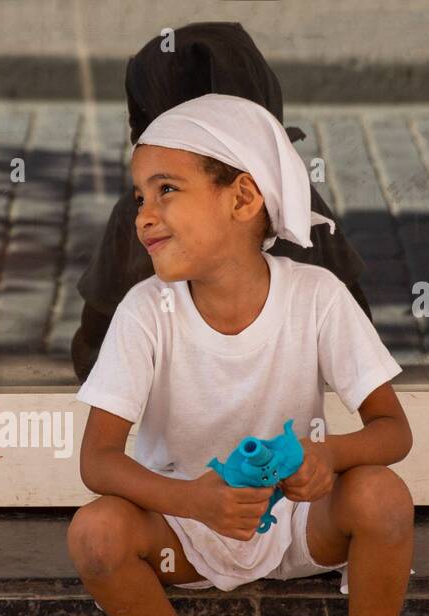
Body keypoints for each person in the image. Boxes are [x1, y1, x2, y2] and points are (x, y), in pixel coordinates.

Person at [67, 94, 429, 616]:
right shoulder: (147, 311)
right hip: (185, 536)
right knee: (95, 532)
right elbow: (98, 461)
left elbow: (392, 430)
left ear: (243, 197)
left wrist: (331, 456)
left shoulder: (316, 297)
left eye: (166, 190)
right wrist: (191, 500)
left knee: (381, 495)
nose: (144, 213)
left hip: (298, 527)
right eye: (139, 193)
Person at [72, 21, 373, 383]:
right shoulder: (299, 201)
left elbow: (93, 342)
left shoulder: (138, 214)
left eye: (145, 118)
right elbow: (359, 333)